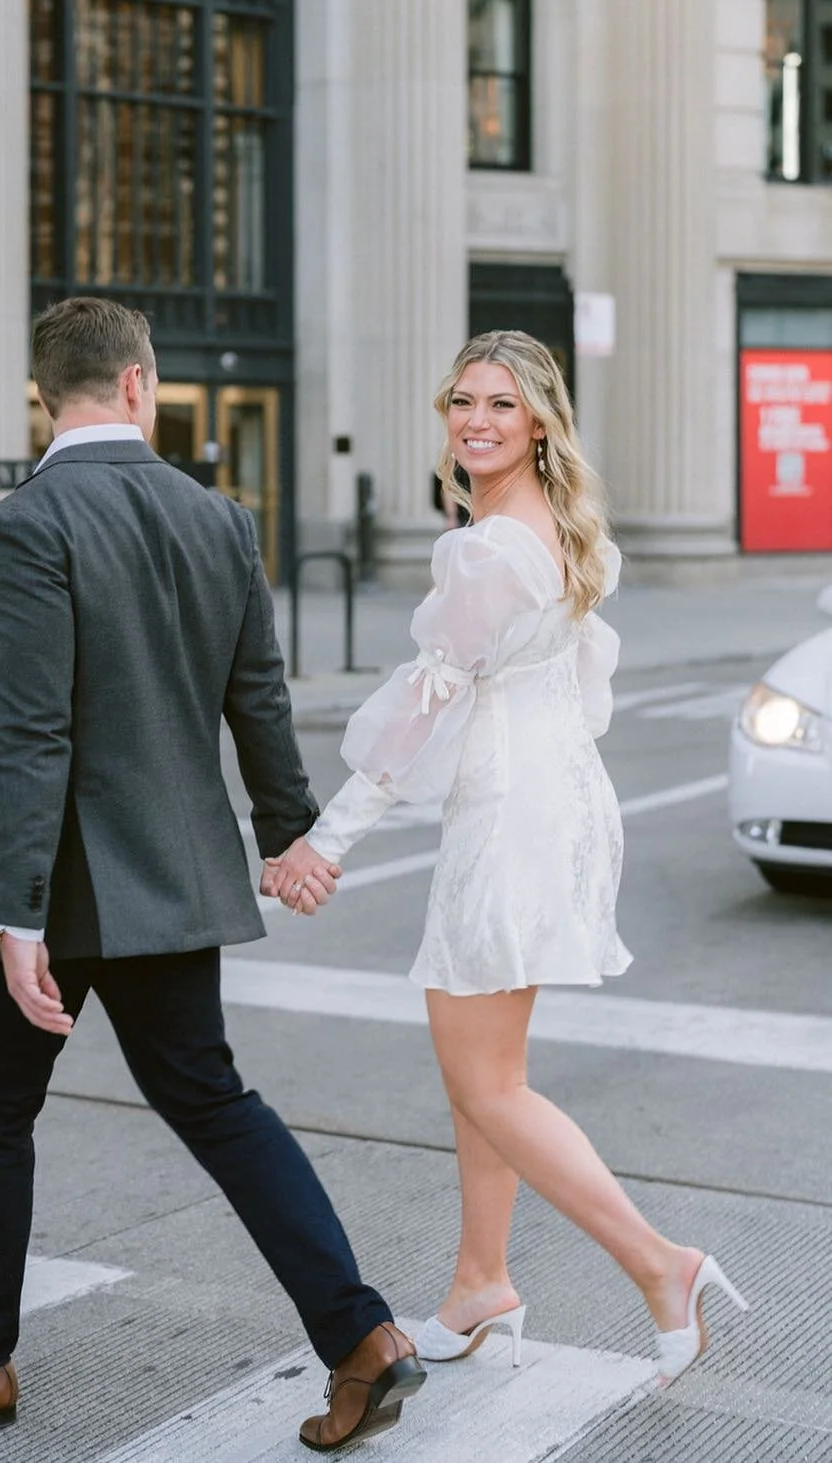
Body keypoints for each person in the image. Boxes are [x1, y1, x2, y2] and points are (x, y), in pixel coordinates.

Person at [0, 296, 426, 1451]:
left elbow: (27, 734)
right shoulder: (221, 521)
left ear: (44, 396)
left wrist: (13, 915)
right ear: (141, 385)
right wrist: (284, 833)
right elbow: (256, 695)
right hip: (169, 883)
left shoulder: (21, 525)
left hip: (51, 893)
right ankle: (361, 1338)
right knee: (216, 1104)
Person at [263, 330, 748, 1390]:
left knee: (487, 1083)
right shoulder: (551, 527)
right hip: (553, 797)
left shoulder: (487, 549)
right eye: (459, 401)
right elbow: (572, 685)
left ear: (537, 422)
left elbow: (418, 710)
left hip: (513, 816)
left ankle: (659, 1264)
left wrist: (321, 842)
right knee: (480, 1075)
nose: (473, 420)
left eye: (497, 404)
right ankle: (480, 1285)